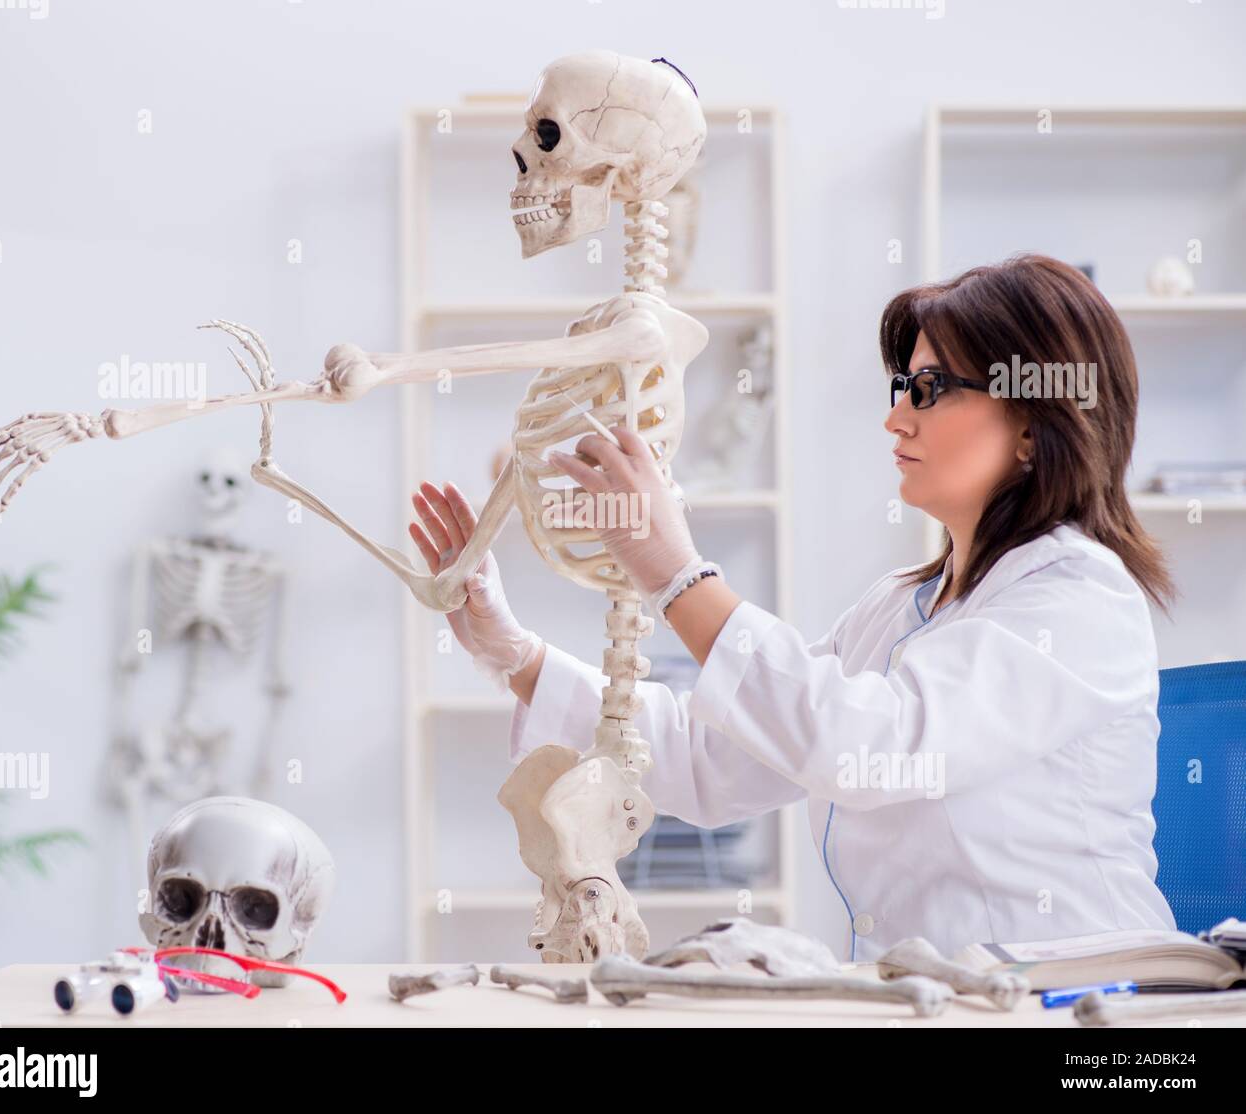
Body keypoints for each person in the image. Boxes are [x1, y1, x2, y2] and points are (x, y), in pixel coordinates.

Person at [407, 253, 1180, 962]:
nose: (897, 416)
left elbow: (873, 743)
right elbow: (715, 760)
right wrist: (515, 654)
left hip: (1076, 1011)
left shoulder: (1082, 600)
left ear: (1032, 426)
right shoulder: (901, 606)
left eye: (931, 389)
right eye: (901, 386)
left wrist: (676, 573)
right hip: (936, 1003)